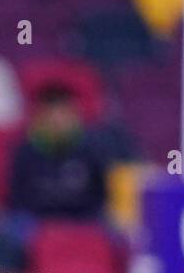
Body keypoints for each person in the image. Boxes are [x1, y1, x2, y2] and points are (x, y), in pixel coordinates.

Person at [8, 82, 111, 219]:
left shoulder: (92, 149)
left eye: (63, 113)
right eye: (51, 114)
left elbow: (103, 197)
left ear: (75, 115)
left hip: (84, 221)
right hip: (38, 222)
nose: (57, 121)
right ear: (40, 117)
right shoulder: (25, 152)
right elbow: (18, 200)